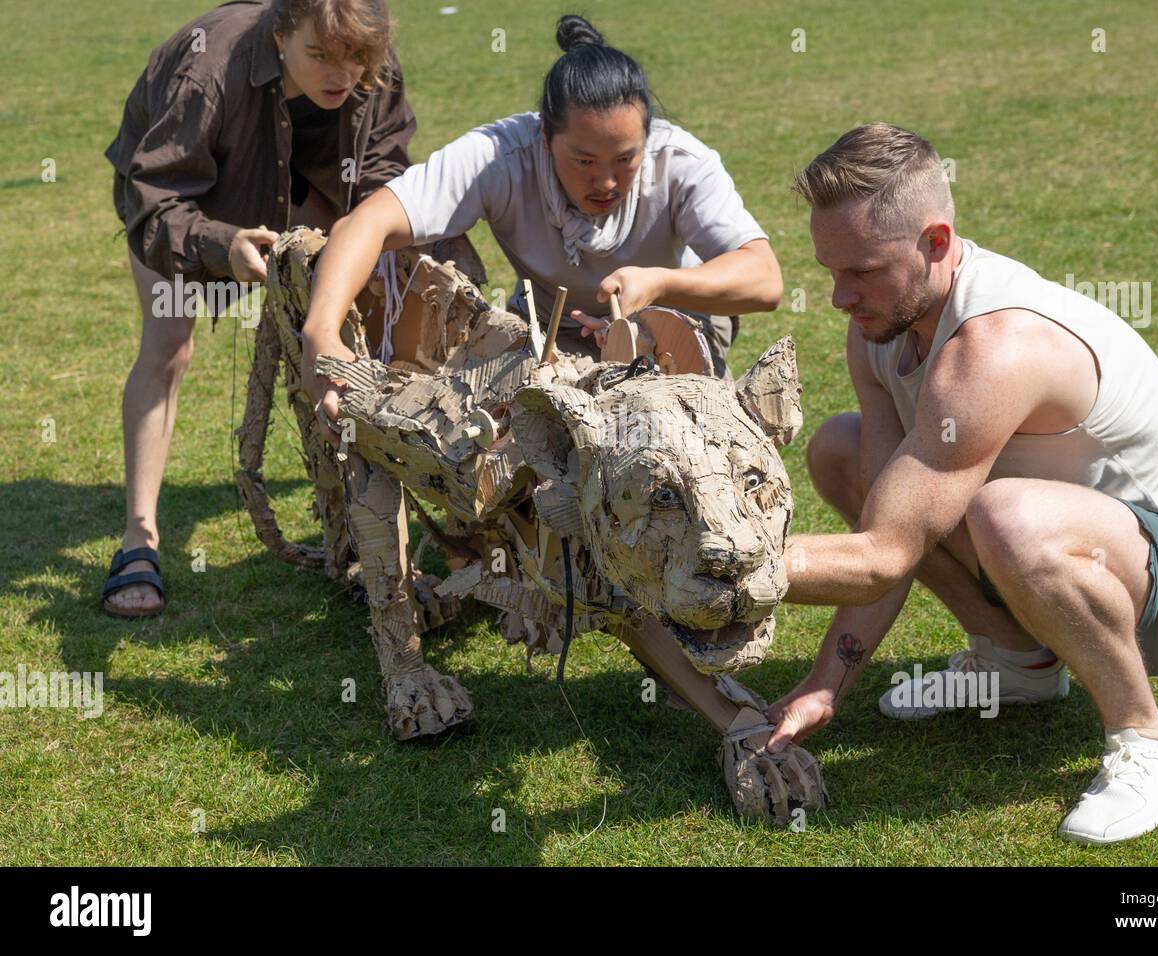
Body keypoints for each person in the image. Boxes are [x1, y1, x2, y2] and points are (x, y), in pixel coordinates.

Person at [765, 123, 1158, 845]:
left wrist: (710, 567)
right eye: (830, 270)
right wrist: (823, 684)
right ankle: (1017, 663)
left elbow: (884, 556)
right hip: (1072, 546)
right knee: (841, 450)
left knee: (1007, 514)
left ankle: (1147, 740)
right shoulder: (880, 330)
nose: (840, 296)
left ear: (936, 242)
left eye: (862, 270)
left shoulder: (994, 347)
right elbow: (885, 524)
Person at [299, 11, 781, 424]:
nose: (607, 182)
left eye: (625, 159)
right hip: (552, 336)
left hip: (673, 328)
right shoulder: (501, 156)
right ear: (545, 134)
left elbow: (764, 279)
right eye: (584, 161)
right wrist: (320, 333)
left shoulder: (680, 161)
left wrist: (656, 286)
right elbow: (366, 224)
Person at [102, 0, 416, 617]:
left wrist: (349, 255)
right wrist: (222, 244)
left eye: (355, 57)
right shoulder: (209, 68)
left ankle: (362, 533)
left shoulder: (367, 52)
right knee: (168, 346)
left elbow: (384, 175)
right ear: (280, 34)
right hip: (188, 196)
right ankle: (139, 539)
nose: (341, 72)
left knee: (353, 335)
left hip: (311, 185)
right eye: (320, 56)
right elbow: (156, 198)